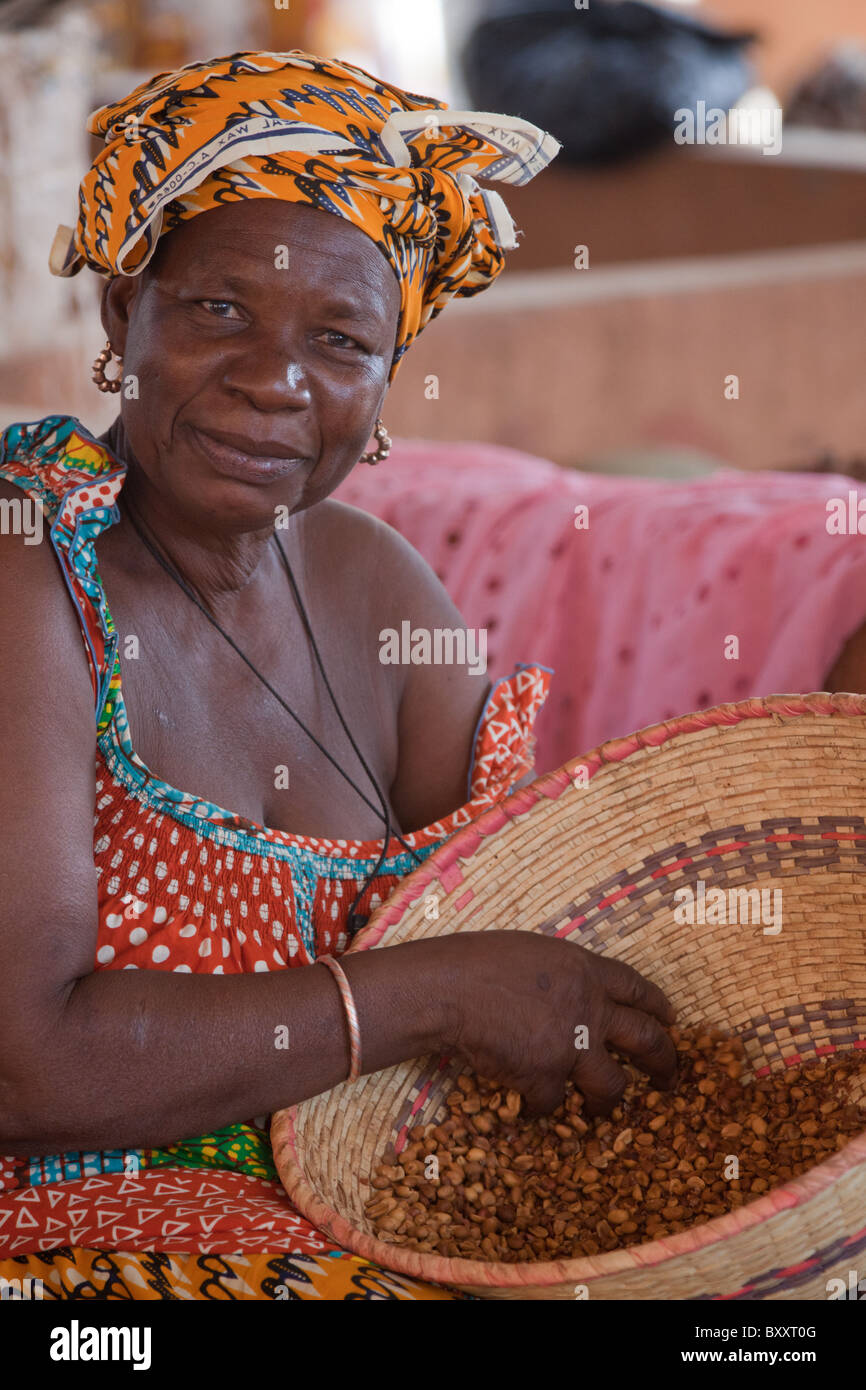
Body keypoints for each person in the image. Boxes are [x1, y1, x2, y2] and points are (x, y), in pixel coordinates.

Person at [0, 50, 676, 1300]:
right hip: (67, 1247)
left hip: (373, 1211)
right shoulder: (27, 570)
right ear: (119, 316)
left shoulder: (373, 587)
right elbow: (23, 1065)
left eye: (340, 338)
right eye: (217, 311)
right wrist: (422, 998)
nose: (275, 380)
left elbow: (523, 923)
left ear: (383, 385)